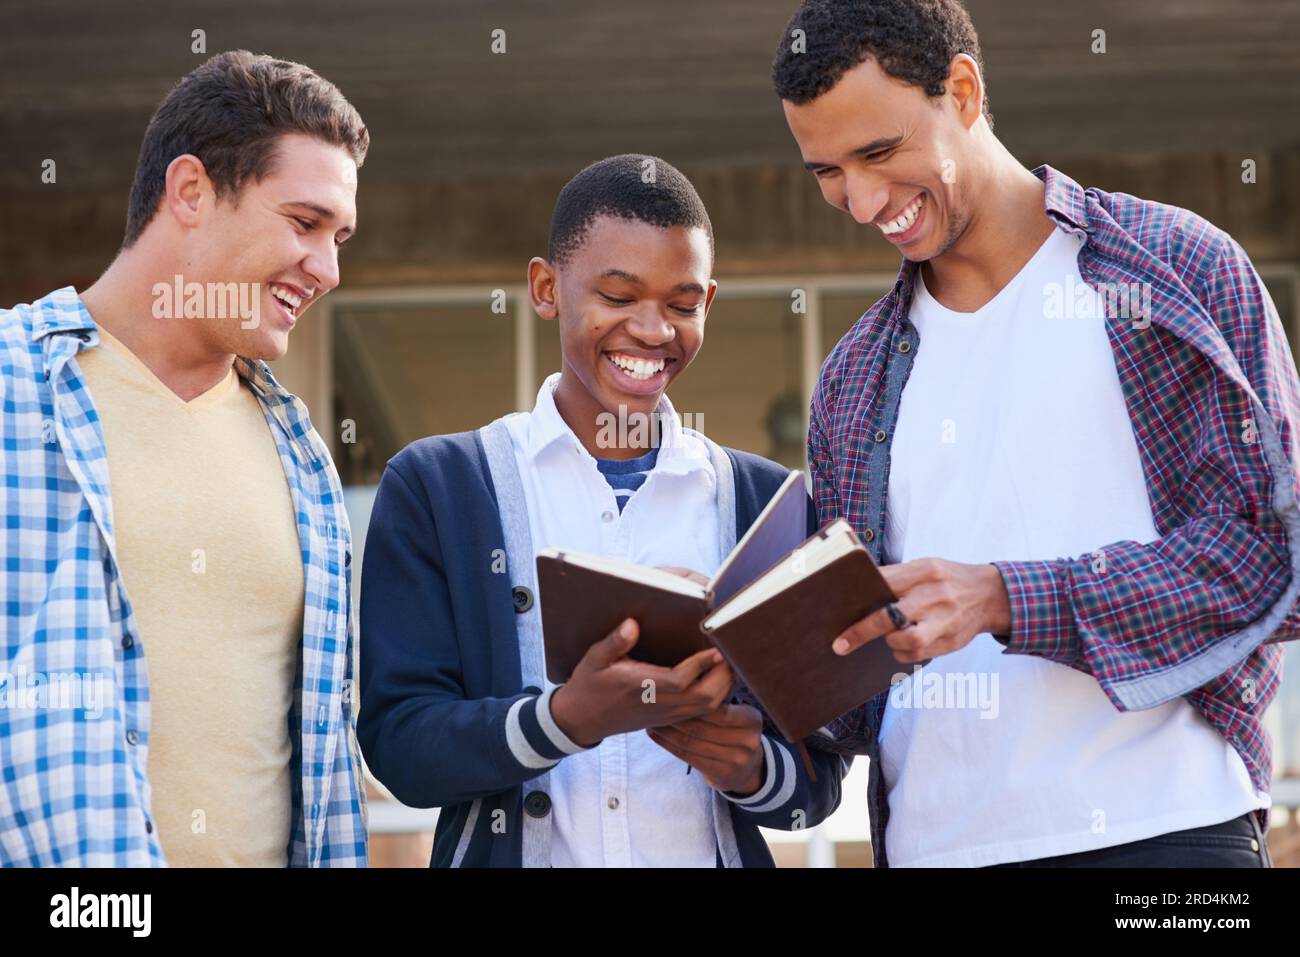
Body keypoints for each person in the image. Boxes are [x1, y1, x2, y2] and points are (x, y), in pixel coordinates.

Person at [772, 0, 1299, 867]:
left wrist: (1007, 596)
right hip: (937, 847)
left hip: (1164, 831)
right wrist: (743, 676)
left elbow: (1274, 558)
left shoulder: (1176, 269)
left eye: (880, 151)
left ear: (964, 91)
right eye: (827, 171)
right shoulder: (852, 379)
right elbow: (857, 699)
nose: (861, 201)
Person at [357, 154, 845, 867]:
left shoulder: (767, 504)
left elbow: (820, 780)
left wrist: (750, 768)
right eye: (618, 296)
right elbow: (400, 746)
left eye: (683, 305)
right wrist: (563, 720)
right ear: (546, 288)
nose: (653, 330)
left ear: (708, 302)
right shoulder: (439, 485)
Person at [0, 50, 370, 866]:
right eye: (304, 223)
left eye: (338, 237)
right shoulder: (12, 389)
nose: (328, 269)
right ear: (192, 192)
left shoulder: (302, 452)